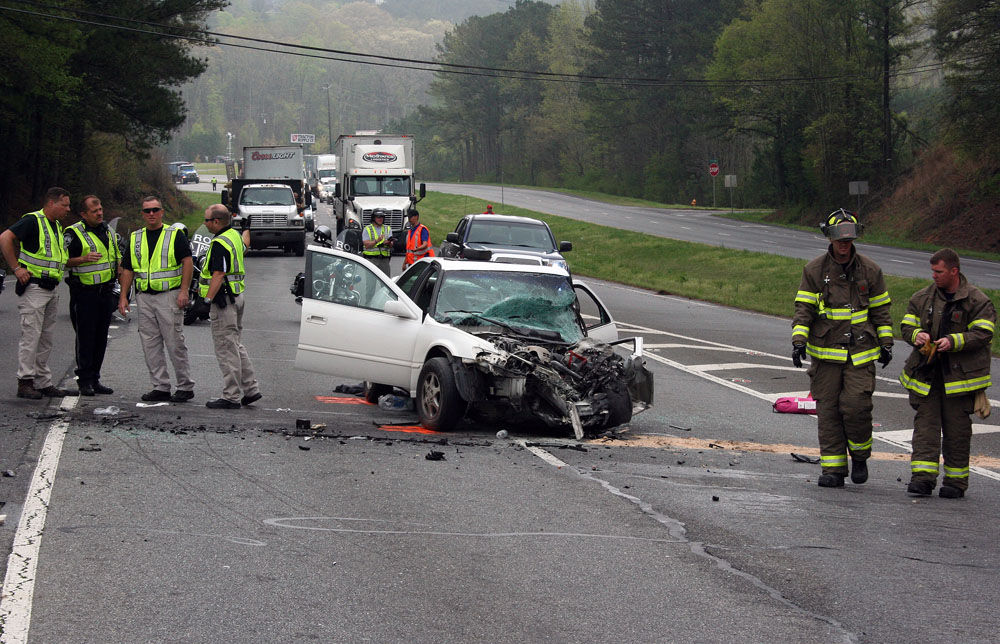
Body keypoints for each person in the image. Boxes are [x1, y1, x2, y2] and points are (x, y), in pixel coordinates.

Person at [791, 209, 893, 488]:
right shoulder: (814, 271)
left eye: (848, 240)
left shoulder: (870, 271)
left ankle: (859, 456)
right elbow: (804, 309)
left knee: (857, 407)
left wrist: (886, 343)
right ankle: (834, 469)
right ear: (830, 239)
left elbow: (881, 311)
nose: (844, 245)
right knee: (828, 412)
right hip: (825, 355)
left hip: (860, 353)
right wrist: (798, 341)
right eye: (840, 240)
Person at [900, 249, 995, 498]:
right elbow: (907, 325)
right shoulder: (922, 298)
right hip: (928, 376)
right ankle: (922, 479)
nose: (934, 276)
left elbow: (984, 333)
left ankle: (955, 482)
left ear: (954, 271)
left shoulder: (978, 301)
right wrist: (916, 335)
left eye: (939, 272)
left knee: (957, 432)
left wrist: (954, 341)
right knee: (925, 429)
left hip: (960, 380)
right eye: (932, 271)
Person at [0, 187, 78, 398]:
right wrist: (16, 268)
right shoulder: (33, 220)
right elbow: (5, 237)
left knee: (45, 338)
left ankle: (43, 382)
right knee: (31, 337)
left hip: (52, 288)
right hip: (34, 288)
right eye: (65, 205)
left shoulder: (57, 226)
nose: (68, 209)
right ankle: (25, 382)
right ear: (51, 203)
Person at [117, 196, 196, 402]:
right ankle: (160, 386)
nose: (151, 214)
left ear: (162, 212)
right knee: (150, 344)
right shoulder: (136, 237)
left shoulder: (174, 235)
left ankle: (185, 386)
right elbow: (128, 269)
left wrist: (184, 291)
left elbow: (187, 262)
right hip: (144, 298)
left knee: (174, 342)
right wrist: (123, 296)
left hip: (169, 296)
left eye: (155, 210)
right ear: (142, 214)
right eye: (147, 211)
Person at [190, 205, 261, 410]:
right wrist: (247, 229)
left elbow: (219, 274)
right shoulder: (234, 236)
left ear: (216, 221)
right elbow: (245, 245)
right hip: (236, 297)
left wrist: (206, 300)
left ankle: (231, 396)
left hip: (223, 302)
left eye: (207, 220)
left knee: (226, 349)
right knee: (235, 345)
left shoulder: (220, 243)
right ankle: (251, 389)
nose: (205, 224)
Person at [64, 195, 120, 396]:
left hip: (106, 293)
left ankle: (95, 379)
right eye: (94, 211)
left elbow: (116, 257)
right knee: (85, 339)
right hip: (85, 293)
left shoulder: (108, 230)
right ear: (83, 214)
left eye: (100, 209)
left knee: (100, 339)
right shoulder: (73, 233)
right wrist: (83, 259)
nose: (99, 213)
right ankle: (84, 380)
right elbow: (61, 261)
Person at [362, 208, 394, 276]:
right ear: (373, 218)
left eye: (382, 217)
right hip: (371, 260)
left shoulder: (387, 228)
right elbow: (366, 245)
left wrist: (388, 243)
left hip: (384, 260)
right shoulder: (367, 229)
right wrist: (377, 241)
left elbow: (391, 245)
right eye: (378, 217)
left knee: (386, 280)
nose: (380, 219)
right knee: (371, 280)